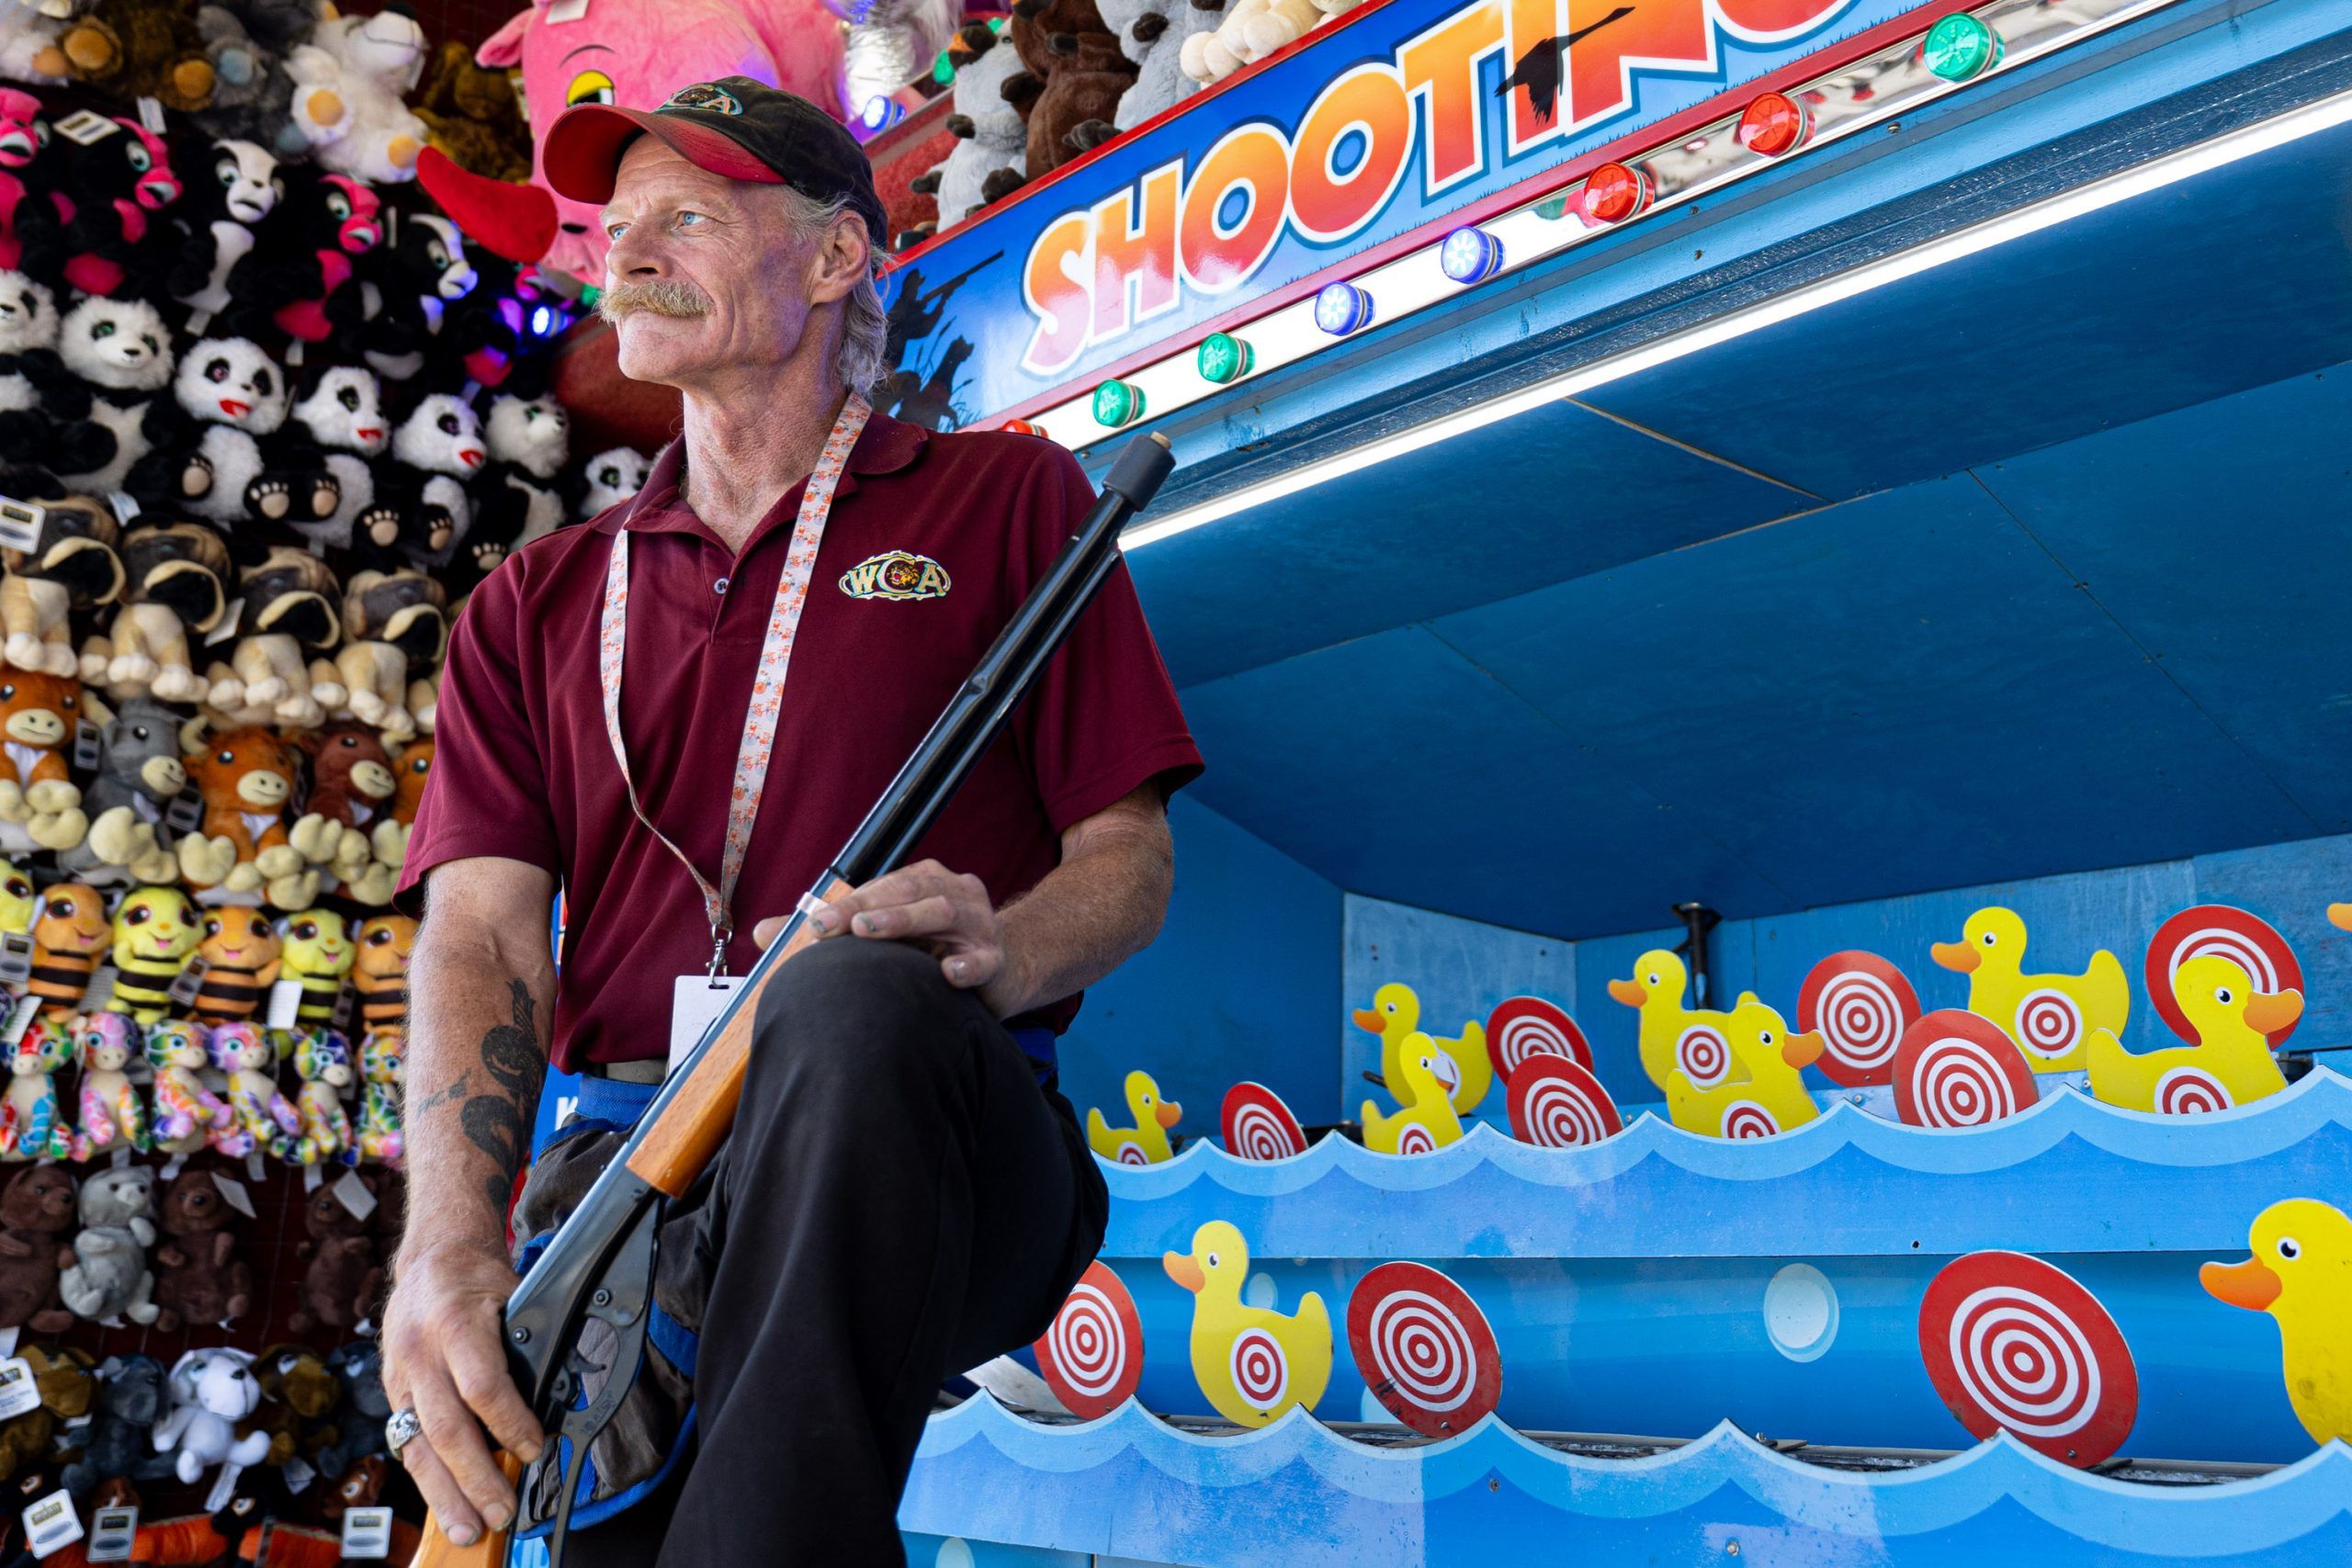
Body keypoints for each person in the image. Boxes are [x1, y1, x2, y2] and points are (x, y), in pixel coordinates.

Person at [379, 78, 1202, 1566]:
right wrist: (446, 1247)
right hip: (630, 1164)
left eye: (685, 218)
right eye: (616, 228)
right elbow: (482, 933)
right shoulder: (533, 599)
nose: (627, 255)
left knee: (853, 989)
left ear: (832, 263)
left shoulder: (1005, 496)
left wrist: (1000, 952)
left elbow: (1128, 860)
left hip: (936, 1124)